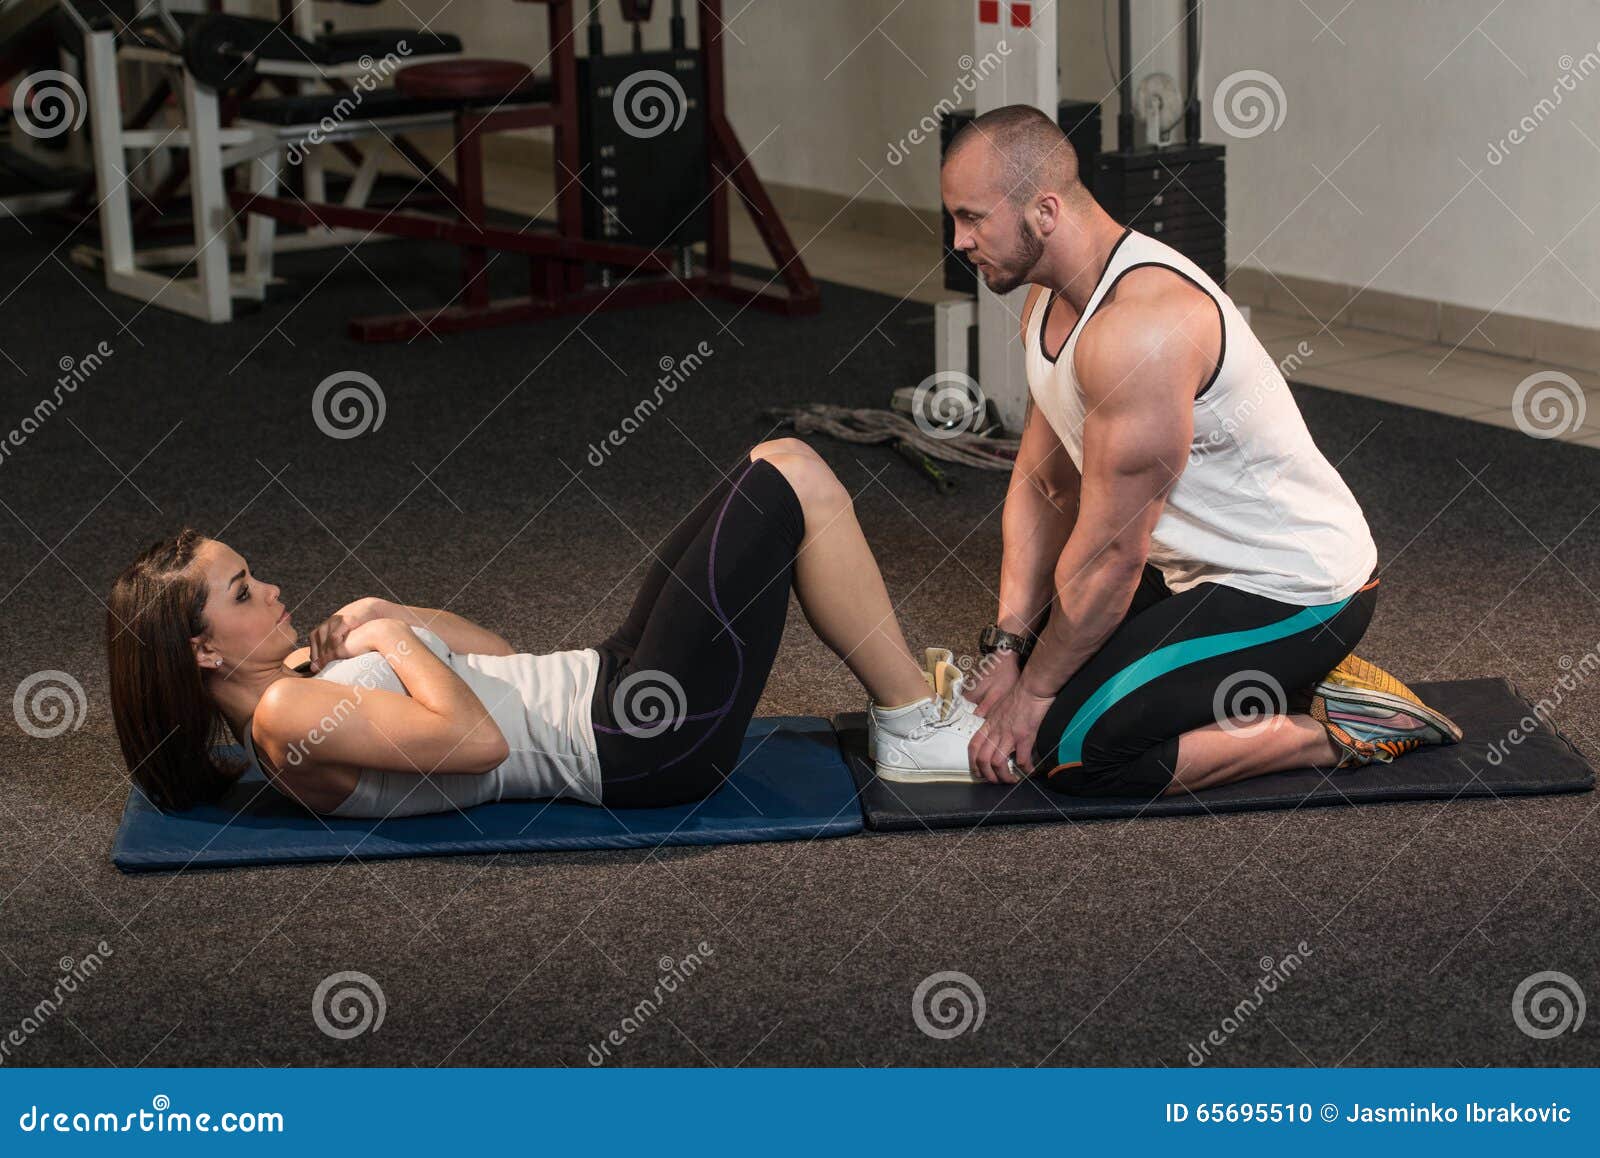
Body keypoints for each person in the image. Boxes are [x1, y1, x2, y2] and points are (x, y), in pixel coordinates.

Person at [940, 104, 1462, 799]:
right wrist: (1008, 648)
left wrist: (1033, 694)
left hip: (1290, 585)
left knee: (1074, 753)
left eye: (973, 217)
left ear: (1044, 211)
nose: (959, 239)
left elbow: (1112, 554)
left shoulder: (1142, 328)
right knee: (1030, 675)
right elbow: (1043, 486)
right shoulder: (1047, 302)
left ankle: (1337, 727)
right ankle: (1272, 681)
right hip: (1190, 571)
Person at [104, 440, 984, 818]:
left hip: (608, 682)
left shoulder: (301, 671)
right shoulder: (283, 721)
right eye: (244, 591)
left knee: (772, 463)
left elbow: (500, 659)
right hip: (637, 747)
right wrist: (390, 642)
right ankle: (914, 723)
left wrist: (394, 614)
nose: (274, 588)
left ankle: (914, 711)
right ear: (203, 650)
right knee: (792, 479)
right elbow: (478, 741)